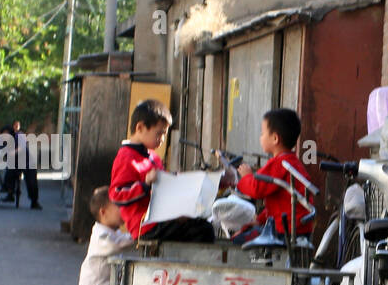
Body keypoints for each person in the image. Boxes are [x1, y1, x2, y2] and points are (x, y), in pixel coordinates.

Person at [109, 98, 215, 242]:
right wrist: (145, 186)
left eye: (165, 134)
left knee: (203, 223)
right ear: (139, 128)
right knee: (202, 230)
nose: (162, 139)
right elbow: (116, 194)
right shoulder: (126, 158)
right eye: (159, 133)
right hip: (146, 226)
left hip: (162, 218)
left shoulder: (153, 157)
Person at [234, 107, 317, 239]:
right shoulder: (292, 162)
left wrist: (246, 176)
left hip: (284, 231)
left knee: (238, 241)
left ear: (275, 138)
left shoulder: (279, 164)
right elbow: (281, 203)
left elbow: (256, 188)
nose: (260, 137)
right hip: (298, 228)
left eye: (262, 133)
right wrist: (260, 219)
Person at [0, 119, 42, 209]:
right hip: (17, 164)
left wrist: (12, 153)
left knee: (31, 182)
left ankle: (34, 202)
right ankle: (10, 194)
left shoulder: (19, 135)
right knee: (9, 172)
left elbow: (21, 147)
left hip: (28, 163)